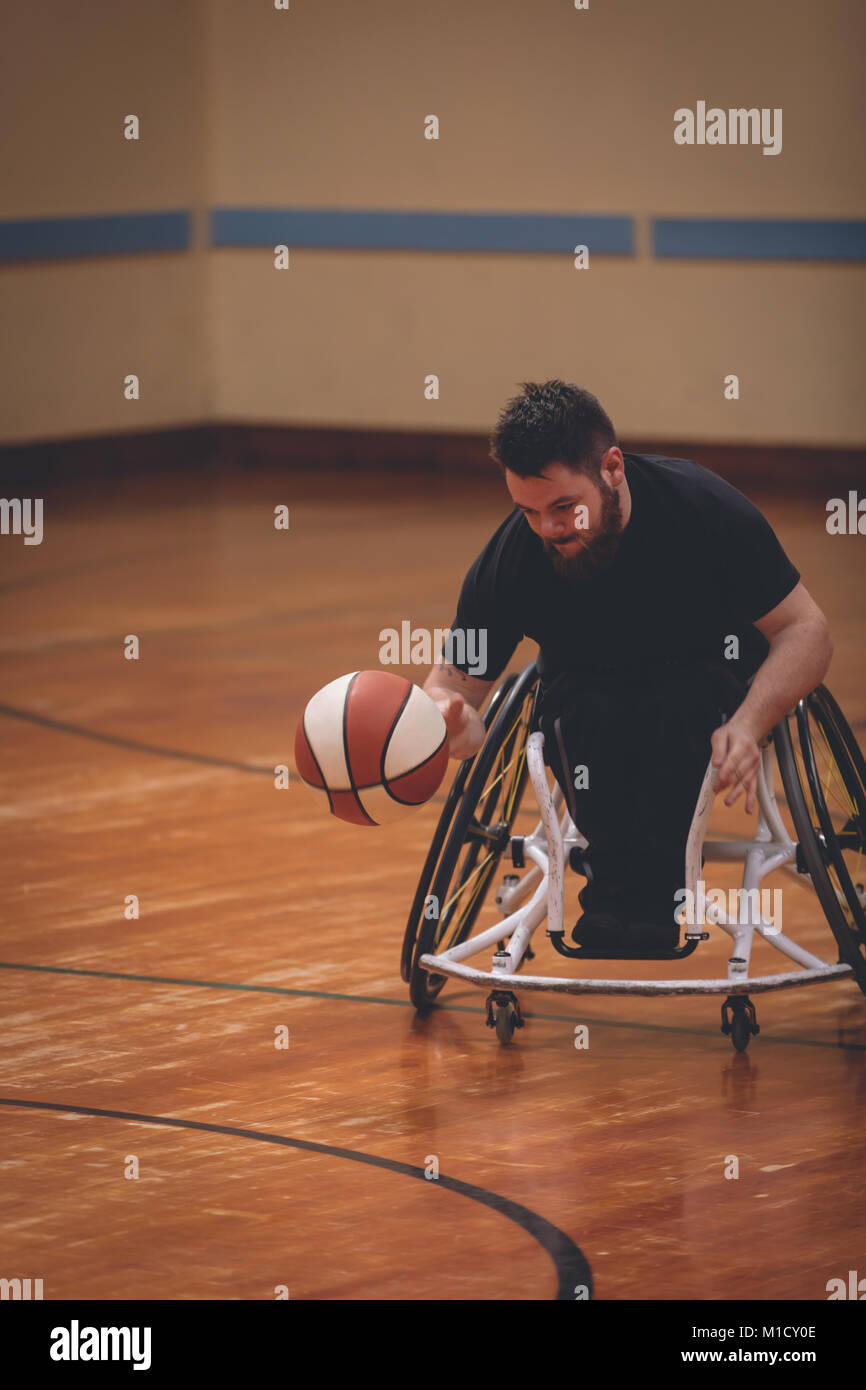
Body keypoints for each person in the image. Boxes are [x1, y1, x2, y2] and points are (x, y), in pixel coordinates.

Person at [422, 380, 833, 952]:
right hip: (587, 699)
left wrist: (749, 723)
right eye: (529, 511)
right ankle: (616, 888)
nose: (549, 529)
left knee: (677, 705)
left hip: (703, 686)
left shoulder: (701, 507)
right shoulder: (517, 552)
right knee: (580, 712)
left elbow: (806, 631)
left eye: (565, 507)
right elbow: (456, 689)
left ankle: (652, 891)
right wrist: (451, 721)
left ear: (612, 468)